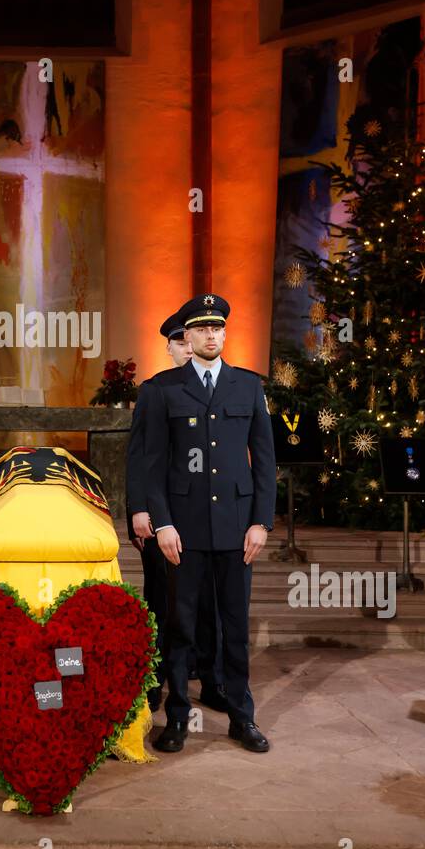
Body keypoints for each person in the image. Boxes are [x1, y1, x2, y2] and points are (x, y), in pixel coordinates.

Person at [145, 294, 276, 754]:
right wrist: (162, 523)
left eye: (217, 328)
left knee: (235, 628)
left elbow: (264, 462)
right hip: (183, 531)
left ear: (225, 333)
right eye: (201, 329)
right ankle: (178, 718)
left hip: (238, 529)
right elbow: (153, 466)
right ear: (186, 336)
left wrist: (261, 521)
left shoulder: (247, 386)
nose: (210, 336)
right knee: (181, 628)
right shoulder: (164, 389)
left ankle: (243, 718)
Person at [126, 312, 192, 712]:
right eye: (180, 341)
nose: (187, 346)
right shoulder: (154, 391)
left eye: (192, 339)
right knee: (162, 602)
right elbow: (139, 457)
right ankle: (155, 678)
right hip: (159, 512)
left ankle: (206, 675)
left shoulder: (218, 389)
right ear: (168, 347)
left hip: (200, 514)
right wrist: (138, 510)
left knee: (203, 603)